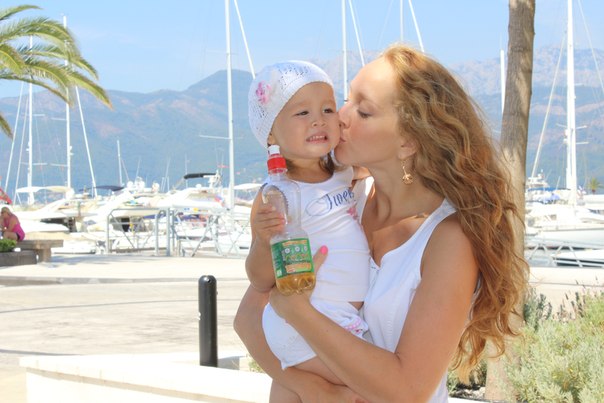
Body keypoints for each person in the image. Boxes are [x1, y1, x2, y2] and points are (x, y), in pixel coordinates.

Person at [234, 44, 528, 402]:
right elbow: (248, 316)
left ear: (408, 141)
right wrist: (310, 387)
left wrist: (298, 312)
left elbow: (408, 390)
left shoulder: (449, 239)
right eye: (345, 100)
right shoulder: (343, 198)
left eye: (363, 111)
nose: (339, 117)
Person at [245, 60, 371, 397]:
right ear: (271, 134)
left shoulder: (344, 173)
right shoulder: (277, 194)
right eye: (302, 113)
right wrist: (263, 241)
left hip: (335, 321)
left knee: (296, 390)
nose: (318, 120)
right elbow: (259, 279)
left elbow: (382, 163)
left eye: (328, 109)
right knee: (367, 388)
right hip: (303, 322)